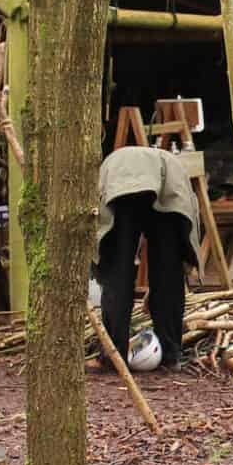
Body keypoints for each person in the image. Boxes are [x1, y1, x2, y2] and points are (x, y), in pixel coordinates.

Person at [95, 144, 203, 369]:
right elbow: (187, 234)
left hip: (120, 188)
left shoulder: (111, 164)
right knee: (168, 273)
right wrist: (183, 266)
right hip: (160, 182)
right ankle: (171, 354)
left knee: (118, 271)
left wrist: (102, 266)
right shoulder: (174, 169)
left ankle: (114, 356)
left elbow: (105, 251)